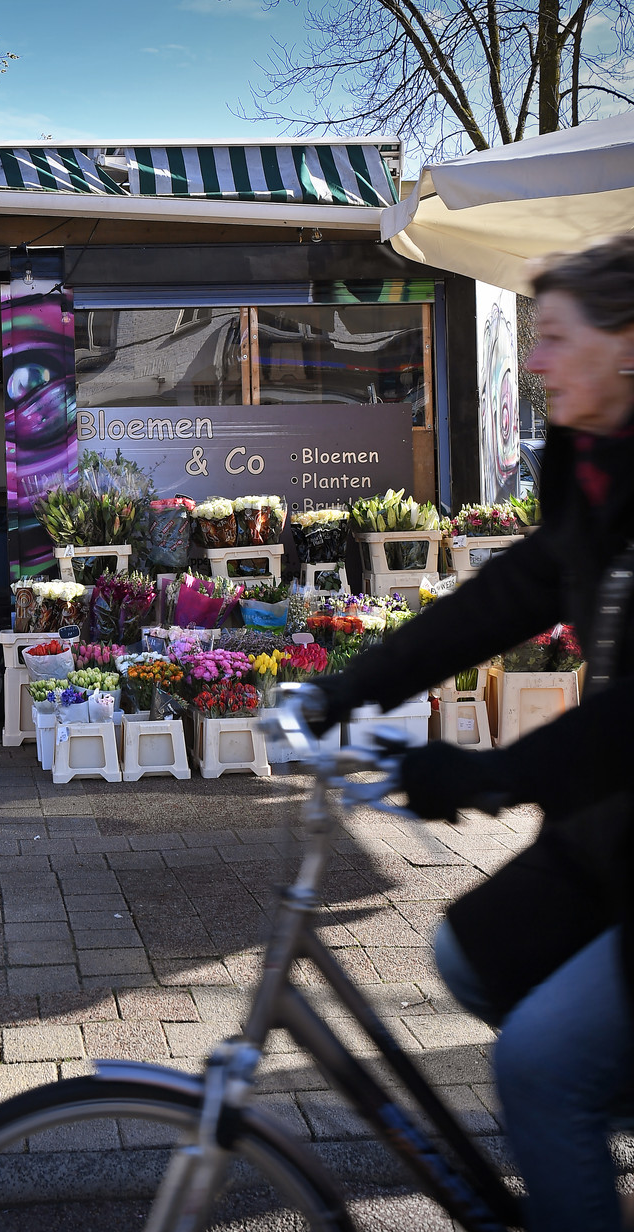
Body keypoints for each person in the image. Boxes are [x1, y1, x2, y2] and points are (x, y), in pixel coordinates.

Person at [310, 234, 634, 1232]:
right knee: (469, 958)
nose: (534, 363)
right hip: (608, 829)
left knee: (539, 1065)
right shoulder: (586, 458)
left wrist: (487, 774)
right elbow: (520, 588)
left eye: (552, 338)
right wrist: (350, 685)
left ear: (626, 344)